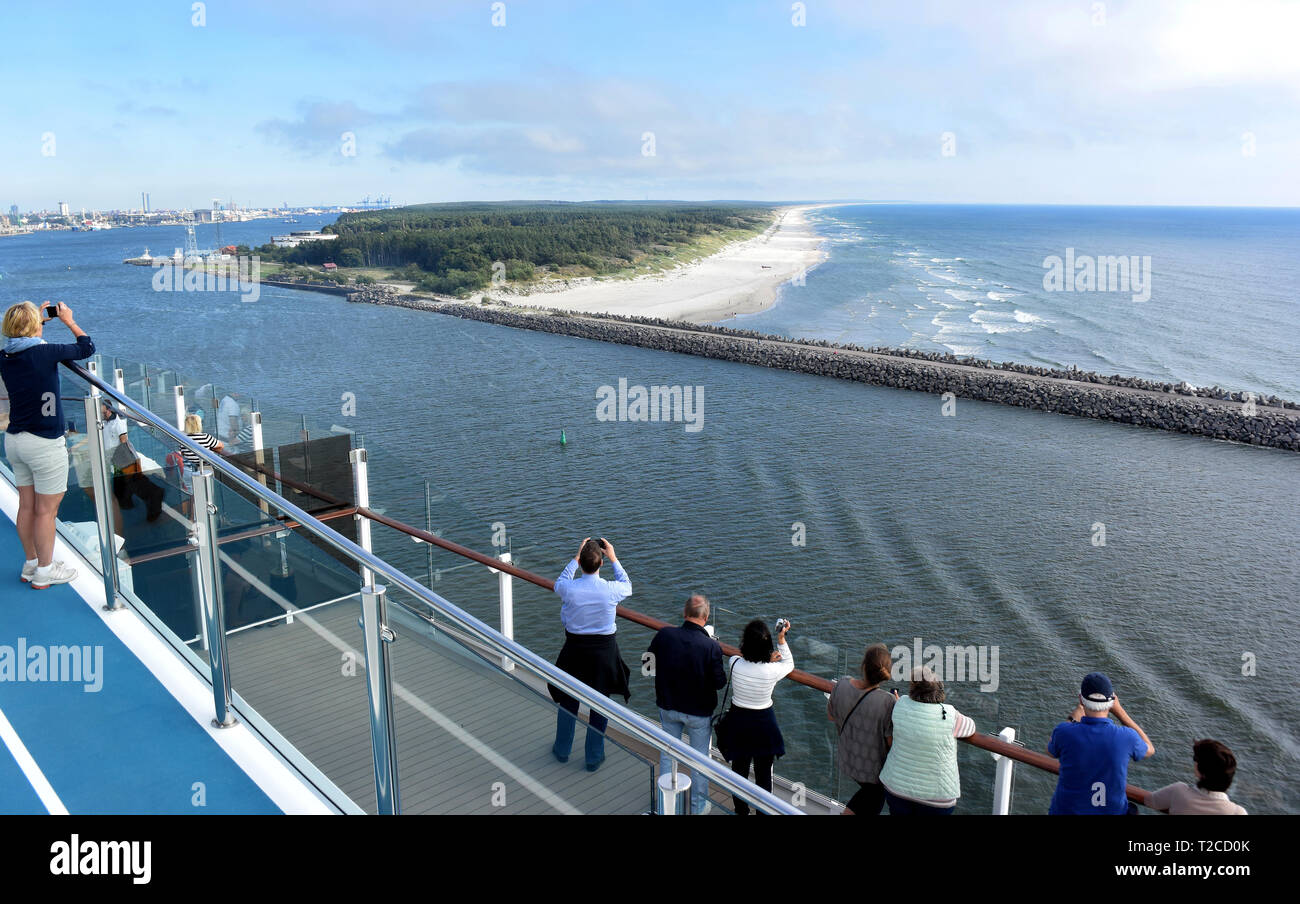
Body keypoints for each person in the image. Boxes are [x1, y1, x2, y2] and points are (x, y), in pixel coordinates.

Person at [0, 301, 94, 589]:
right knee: (46, 511)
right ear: (34, 327)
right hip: (43, 443)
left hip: (15, 440)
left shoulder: (4, 355)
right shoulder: (45, 352)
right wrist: (68, 319)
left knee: (27, 505)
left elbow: (24, 343)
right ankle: (44, 571)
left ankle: (31, 564)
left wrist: (36, 323)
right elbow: (86, 347)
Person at [548, 537, 632, 772]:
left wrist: (575, 558)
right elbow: (628, 585)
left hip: (574, 650)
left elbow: (559, 583)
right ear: (601, 564)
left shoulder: (570, 589)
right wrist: (614, 557)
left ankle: (562, 750)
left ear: (581, 563)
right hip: (603, 654)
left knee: (568, 700)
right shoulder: (610, 590)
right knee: (599, 704)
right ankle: (593, 757)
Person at [646, 593, 726, 815]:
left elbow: (647, 665)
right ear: (706, 616)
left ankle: (666, 805)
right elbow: (720, 683)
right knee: (699, 761)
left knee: (667, 754)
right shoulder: (711, 647)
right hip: (699, 713)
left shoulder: (664, 635)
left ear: (684, 613)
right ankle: (697, 807)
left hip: (668, 706)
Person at [1047, 671, 1155, 815]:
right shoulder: (1127, 737)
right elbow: (1149, 750)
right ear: (1112, 702)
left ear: (1081, 699)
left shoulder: (1064, 732)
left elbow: (1050, 751)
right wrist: (1120, 712)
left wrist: (1074, 716)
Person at [878, 667, 976, 815]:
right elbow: (971, 727)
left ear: (913, 689)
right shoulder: (950, 714)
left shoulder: (900, 704)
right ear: (940, 691)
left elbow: (904, 707)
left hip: (896, 789)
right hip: (937, 798)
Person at [721, 618, 794, 815]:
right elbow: (789, 664)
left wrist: (763, 658)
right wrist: (781, 639)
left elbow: (743, 659)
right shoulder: (772, 671)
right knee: (764, 776)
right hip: (764, 725)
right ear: (767, 646)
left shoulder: (734, 663)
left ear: (744, 643)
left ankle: (741, 811)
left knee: (739, 772)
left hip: (739, 722)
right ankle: (763, 812)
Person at [827, 642, 896, 815]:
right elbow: (892, 742)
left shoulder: (841, 684)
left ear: (863, 665)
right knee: (877, 792)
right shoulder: (888, 702)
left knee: (872, 795)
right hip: (872, 771)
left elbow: (831, 715)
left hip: (848, 759)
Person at [1147, 739, 1246, 815]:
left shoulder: (1178, 791)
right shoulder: (1237, 812)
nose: (1194, 762)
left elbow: (1150, 801)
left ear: (1201, 773)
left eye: (1196, 759)